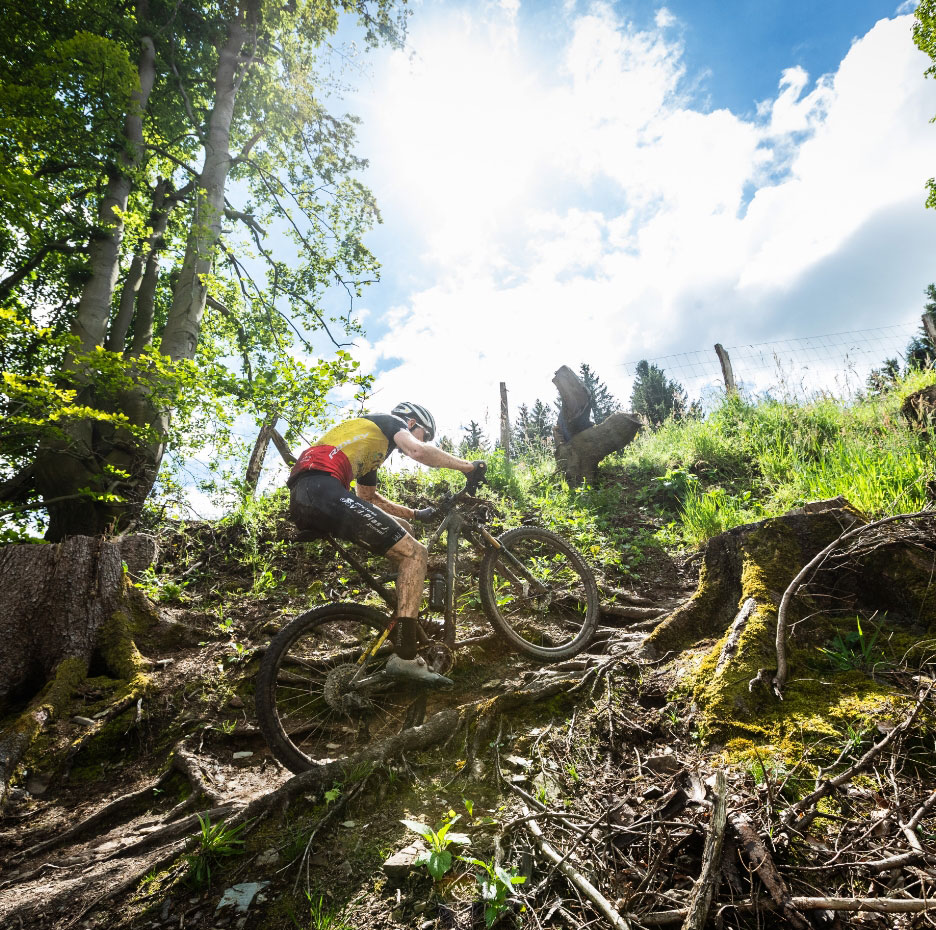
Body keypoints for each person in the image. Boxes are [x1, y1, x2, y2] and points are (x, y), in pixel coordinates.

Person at [287, 402, 485, 687]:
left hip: (308, 494)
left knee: (405, 534)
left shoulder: (368, 446)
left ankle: (407, 611)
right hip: (323, 488)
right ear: (412, 423)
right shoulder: (391, 422)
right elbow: (418, 451)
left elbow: (368, 499)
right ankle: (405, 655)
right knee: (415, 554)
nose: (423, 440)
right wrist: (468, 467)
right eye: (424, 434)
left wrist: (415, 514)